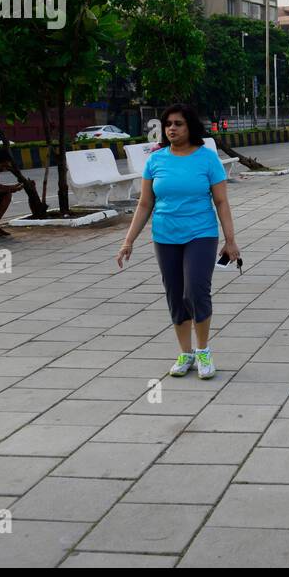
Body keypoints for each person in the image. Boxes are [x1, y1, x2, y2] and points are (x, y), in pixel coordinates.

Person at [117, 103, 239, 380]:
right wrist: (128, 241)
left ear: (190, 127)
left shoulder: (207, 159)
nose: (172, 128)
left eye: (178, 124)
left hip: (201, 234)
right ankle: (186, 353)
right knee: (175, 295)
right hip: (165, 235)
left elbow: (221, 201)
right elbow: (145, 203)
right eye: (168, 124)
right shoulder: (156, 159)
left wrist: (230, 241)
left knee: (195, 291)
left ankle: (204, 350)